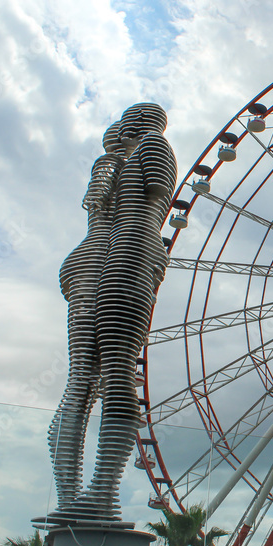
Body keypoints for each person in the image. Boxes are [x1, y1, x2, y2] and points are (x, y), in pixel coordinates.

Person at [54, 103, 177, 522]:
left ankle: (102, 492)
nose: (126, 126)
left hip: (132, 247)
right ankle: (69, 497)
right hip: (91, 254)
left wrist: (116, 164)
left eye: (136, 120)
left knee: (117, 365)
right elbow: (93, 205)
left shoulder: (154, 146)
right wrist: (108, 166)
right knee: (80, 379)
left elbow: (156, 192)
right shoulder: (111, 162)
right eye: (125, 120)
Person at [46, 122, 124, 515]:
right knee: (114, 374)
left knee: (82, 380)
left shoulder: (110, 161)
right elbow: (102, 199)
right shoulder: (125, 159)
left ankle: (73, 499)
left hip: (86, 257)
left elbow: (93, 201)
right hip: (108, 258)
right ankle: (96, 498)